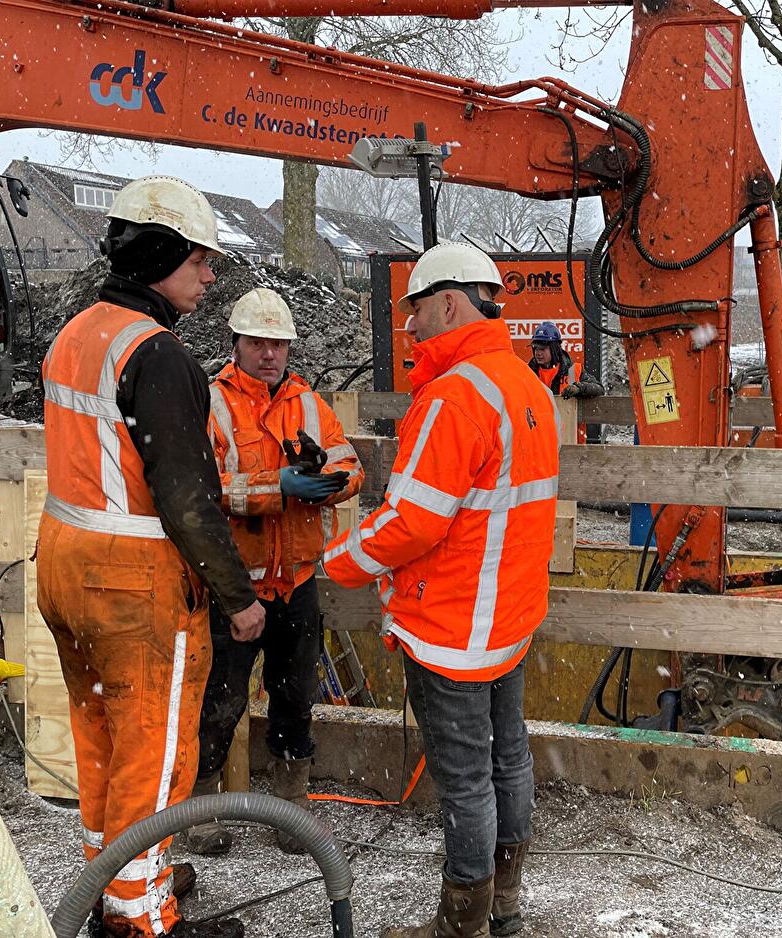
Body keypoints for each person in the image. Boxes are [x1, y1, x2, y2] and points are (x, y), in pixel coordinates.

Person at [36, 176, 263, 938]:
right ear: (161, 253)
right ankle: (141, 918)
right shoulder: (159, 355)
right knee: (158, 752)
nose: (209, 277)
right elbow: (189, 502)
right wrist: (239, 598)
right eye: (200, 261)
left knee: (99, 731)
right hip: (131, 582)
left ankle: (117, 876)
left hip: (64, 564)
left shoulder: (77, 334)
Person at [323, 243, 560, 938]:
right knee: (506, 758)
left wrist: (335, 561)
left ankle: (462, 923)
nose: (410, 327)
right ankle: (504, 907)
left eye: (417, 309)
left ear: (450, 302)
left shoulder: (456, 396)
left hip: (453, 626)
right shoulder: (523, 387)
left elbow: (410, 523)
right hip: (508, 620)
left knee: (464, 778)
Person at [182, 288, 363, 856]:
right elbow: (202, 493)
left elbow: (349, 462)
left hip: (297, 583)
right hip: (234, 587)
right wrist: (273, 489)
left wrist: (332, 483)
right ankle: (200, 812)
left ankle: (291, 810)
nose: (268, 353)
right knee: (220, 702)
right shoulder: (209, 403)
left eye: (277, 343)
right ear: (235, 342)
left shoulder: (309, 403)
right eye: (257, 342)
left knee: (294, 698)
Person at [526, 320, 603, 400]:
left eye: (542, 349)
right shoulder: (527, 371)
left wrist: (579, 388)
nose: (538, 353)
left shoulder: (574, 369)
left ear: (554, 349)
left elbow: (599, 388)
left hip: (566, 412)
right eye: (535, 348)